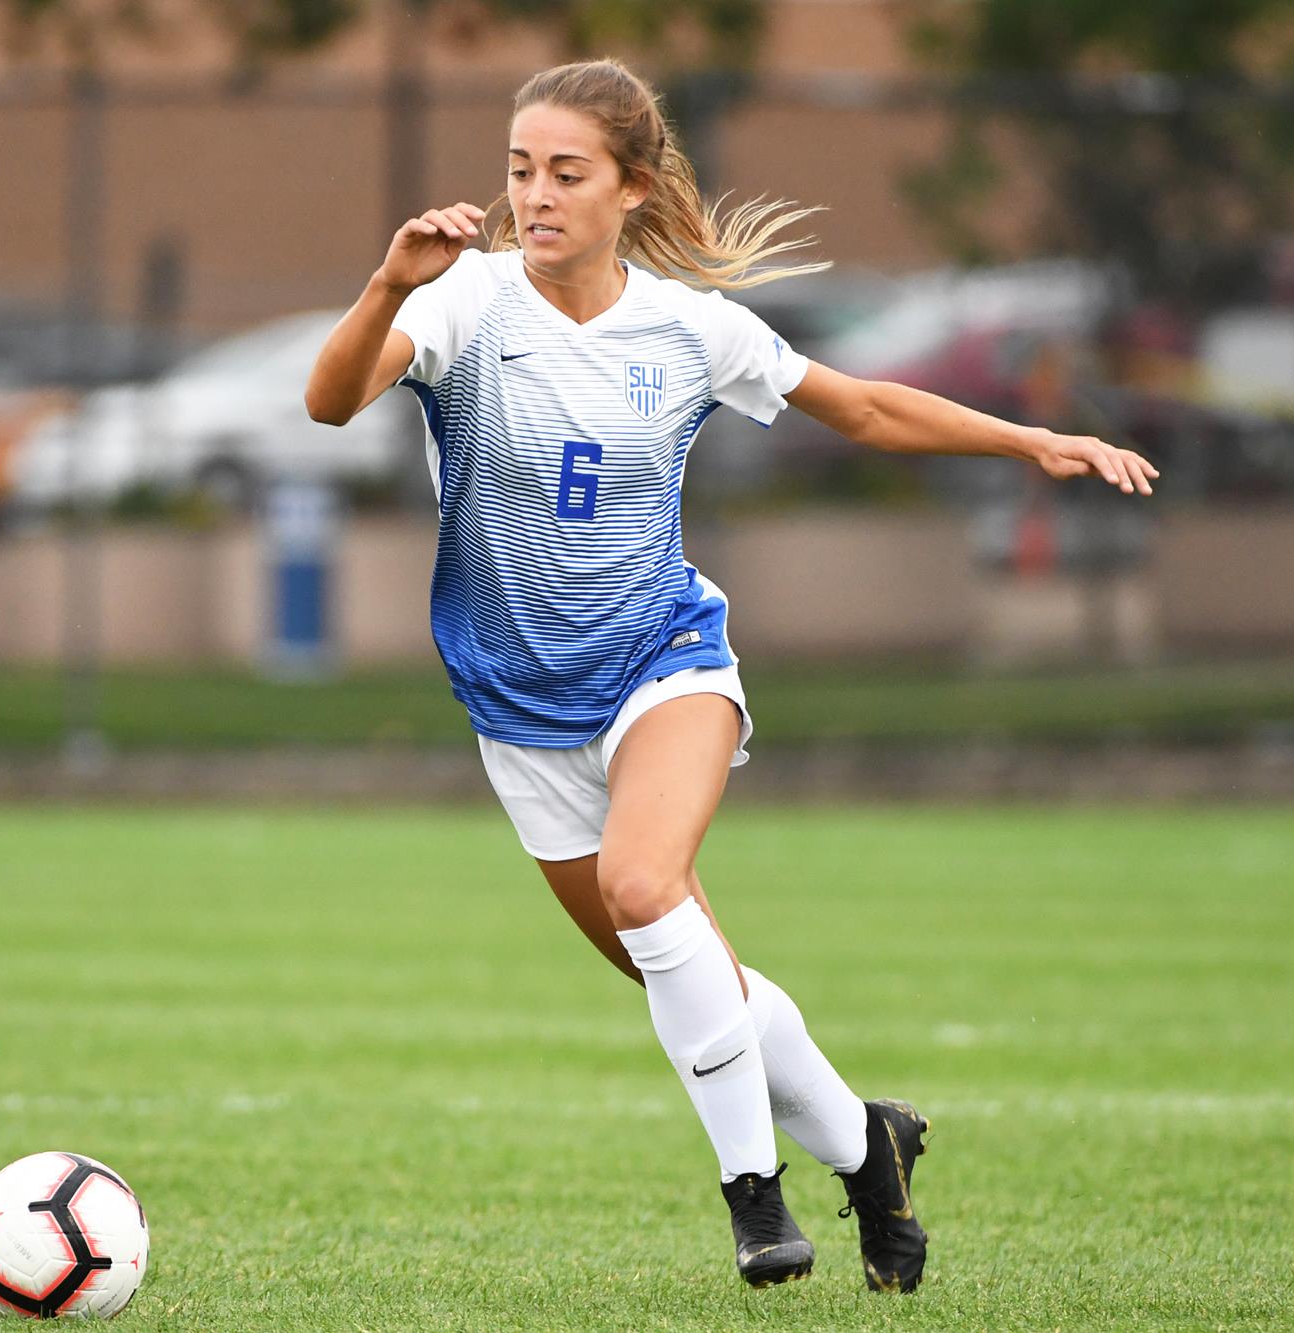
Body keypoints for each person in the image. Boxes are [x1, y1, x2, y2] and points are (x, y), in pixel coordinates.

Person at [303, 58, 1156, 1293]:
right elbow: (330, 404)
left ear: (630, 188)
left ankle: (753, 1199)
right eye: (517, 170)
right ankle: (870, 1149)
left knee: (646, 887)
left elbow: (859, 408)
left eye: (565, 173)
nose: (533, 196)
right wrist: (388, 281)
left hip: (665, 664)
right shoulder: (462, 300)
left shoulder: (688, 327)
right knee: (687, 966)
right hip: (517, 712)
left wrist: (1034, 437)